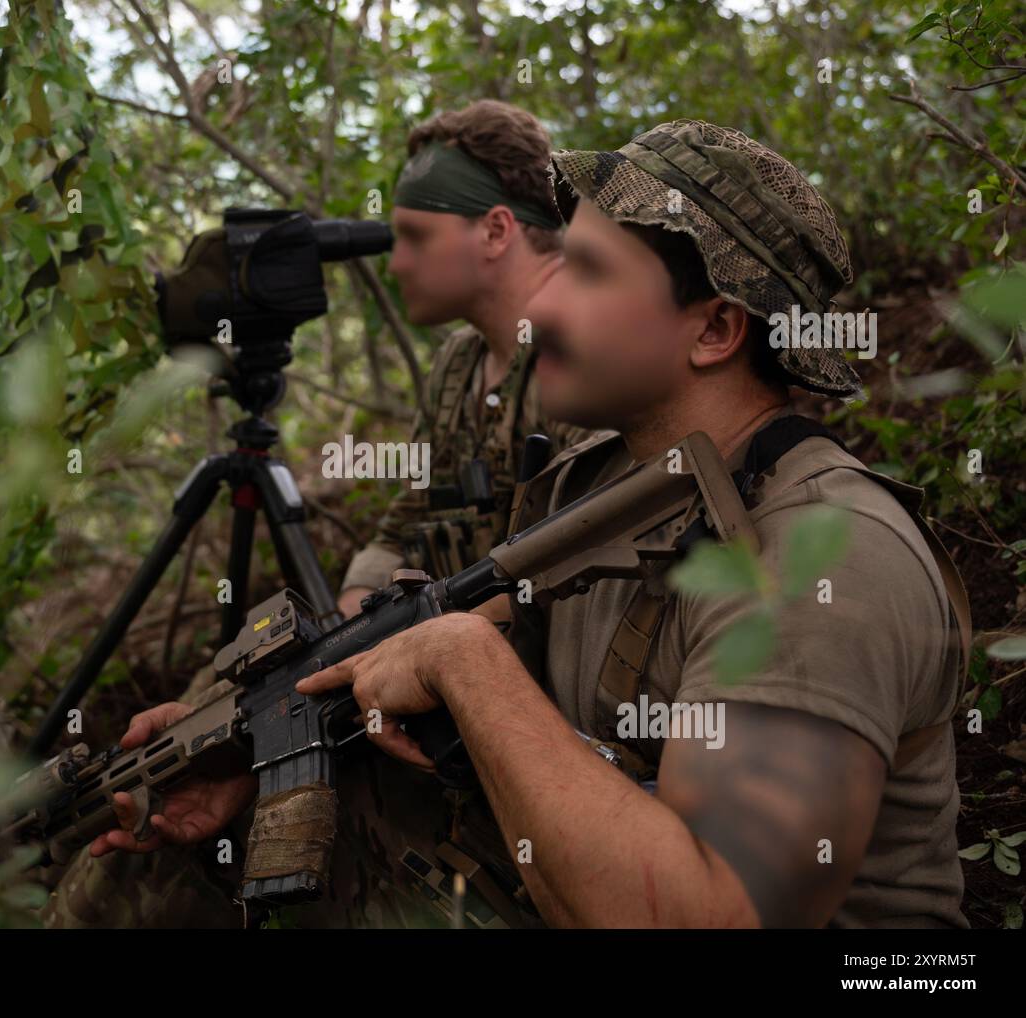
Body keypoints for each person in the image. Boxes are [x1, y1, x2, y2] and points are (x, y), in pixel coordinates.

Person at [82, 120, 970, 929]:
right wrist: (261, 736)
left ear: (715, 330)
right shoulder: (612, 490)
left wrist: (463, 659)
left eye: (586, 273)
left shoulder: (825, 557)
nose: (538, 311)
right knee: (180, 871)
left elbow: (712, 914)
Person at [336, 99, 590, 618]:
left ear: (496, 231)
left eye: (416, 237)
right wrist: (354, 615)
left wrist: (422, 647)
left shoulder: (589, 347)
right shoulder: (459, 362)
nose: (398, 263)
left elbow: (589, 568)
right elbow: (407, 523)